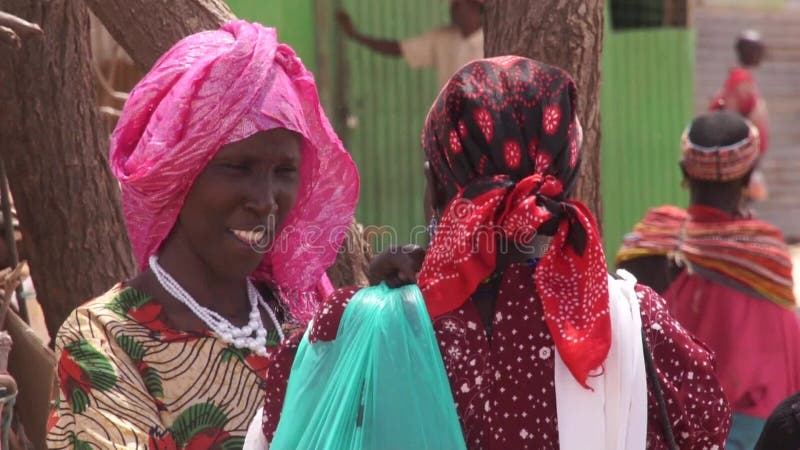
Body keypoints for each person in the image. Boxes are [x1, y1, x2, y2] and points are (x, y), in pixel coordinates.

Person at [250, 57, 731, 449]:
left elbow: (282, 429)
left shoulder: (347, 327)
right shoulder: (635, 324)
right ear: (567, 182)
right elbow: (707, 429)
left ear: (435, 183)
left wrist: (370, 301)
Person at [45, 20, 358, 448]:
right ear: (179, 172)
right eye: (237, 167)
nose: (266, 201)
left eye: (284, 171)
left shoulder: (302, 318)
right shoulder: (106, 341)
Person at [617, 111, 800, 450]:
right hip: (755, 427)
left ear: (685, 171)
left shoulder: (648, 245)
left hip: (667, 425)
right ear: (747, 177)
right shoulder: (765, 252)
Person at [335, 0, 484, 88]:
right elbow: (398, 49)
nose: (452, 10)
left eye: (458, 5)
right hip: (448, 125)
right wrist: (356, 35)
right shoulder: (443, 38)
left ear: (474, 7)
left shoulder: (489, 43)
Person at [709, 30, 770, 201]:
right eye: (756, 51)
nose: (760, 56)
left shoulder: (741, 79)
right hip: (742, 161)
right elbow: (732, 118)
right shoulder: (741, 80)